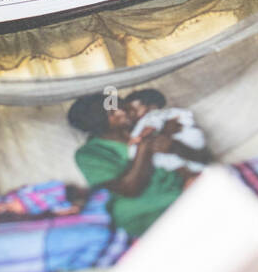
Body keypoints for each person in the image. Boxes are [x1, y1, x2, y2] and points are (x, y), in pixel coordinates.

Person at [67, 93, 186, 242]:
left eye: (121, 107)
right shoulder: (90, 153)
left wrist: (174, 143)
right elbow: (128, 188)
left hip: (179, 184)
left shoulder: (146, 128)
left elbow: (196, 158)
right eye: (112, 112)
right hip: (140, 205)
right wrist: (144, 149)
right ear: (97, 121)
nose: (123, 112)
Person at [123, 88, 210, 175]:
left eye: (132, 110)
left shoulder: (152, 115)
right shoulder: (174, 113)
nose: (129, 116)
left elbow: (151, 126)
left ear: (151, 106)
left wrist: (138, 138)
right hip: (194, 157)